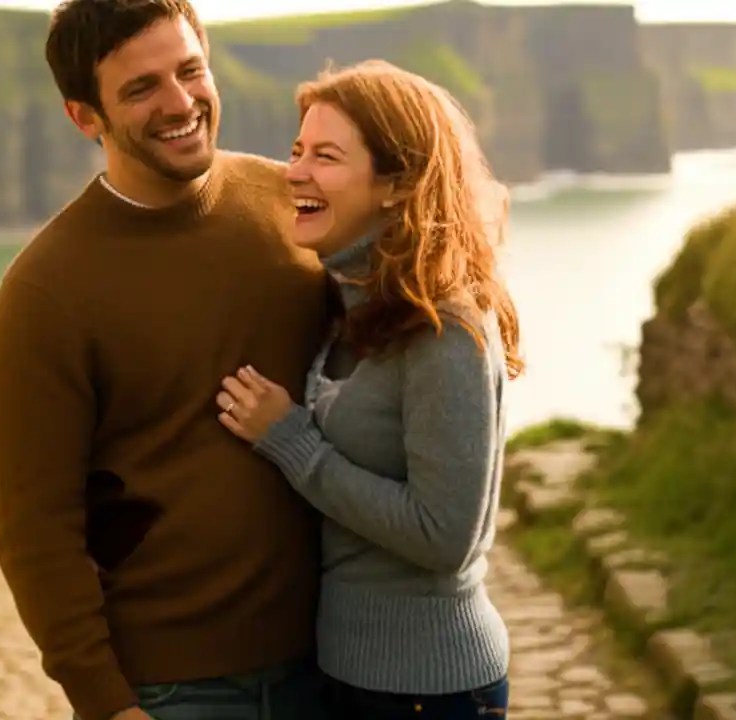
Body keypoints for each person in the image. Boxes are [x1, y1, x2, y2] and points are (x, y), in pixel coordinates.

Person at [0, 2, 331, 719]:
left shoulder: (291, 206)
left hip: (336, 663)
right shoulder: (44, 291)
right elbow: (35, 530)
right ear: (86, 117)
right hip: (172, 693)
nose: (180, 104)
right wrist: (106, 703)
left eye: (190, 71)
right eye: (141, 89)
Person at [215, 59, 522, 719]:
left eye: (325, 156)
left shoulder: (446, 332)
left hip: (428, 689)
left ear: (394, 183)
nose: (294, 171)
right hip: (346, 676)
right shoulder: (350, 304)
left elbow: (444, 535)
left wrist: (289, 441)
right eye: (296, 150)